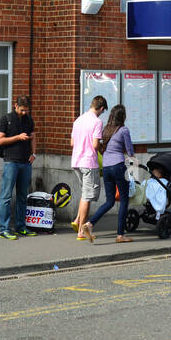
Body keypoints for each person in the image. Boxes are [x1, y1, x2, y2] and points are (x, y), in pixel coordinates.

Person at [88, 104, 134, 242]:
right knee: (124, 199)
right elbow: (130, 150)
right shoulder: (124, 130)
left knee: (110, 201)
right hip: (118, 166)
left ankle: (89, 224)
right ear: (123, 117)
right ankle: (120, 235)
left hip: (107, 168)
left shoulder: (106, 130)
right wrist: (134, 165)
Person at [0, 96, 35, 239]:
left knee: (22, 196)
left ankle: (20, 226)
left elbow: (32, 135)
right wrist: (18, 137)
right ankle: (3, 229)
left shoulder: (29, 120)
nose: (24, 113)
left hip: (26, 162)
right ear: (15, 106)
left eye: (27, 110)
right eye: (22, 110)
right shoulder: (5, 119)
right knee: (6, 196)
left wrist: (33, 153)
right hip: (11, 161)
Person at [71, 95, 106, 242]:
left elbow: (72, 143)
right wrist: (104, 149)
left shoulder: (78, 120)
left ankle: (78, 220)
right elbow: (95, 145)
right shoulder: (97, 122)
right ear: (102, 108)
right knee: (87, 196)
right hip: (89, 162)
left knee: (84, 193)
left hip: (76, 161)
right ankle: (81, 231)